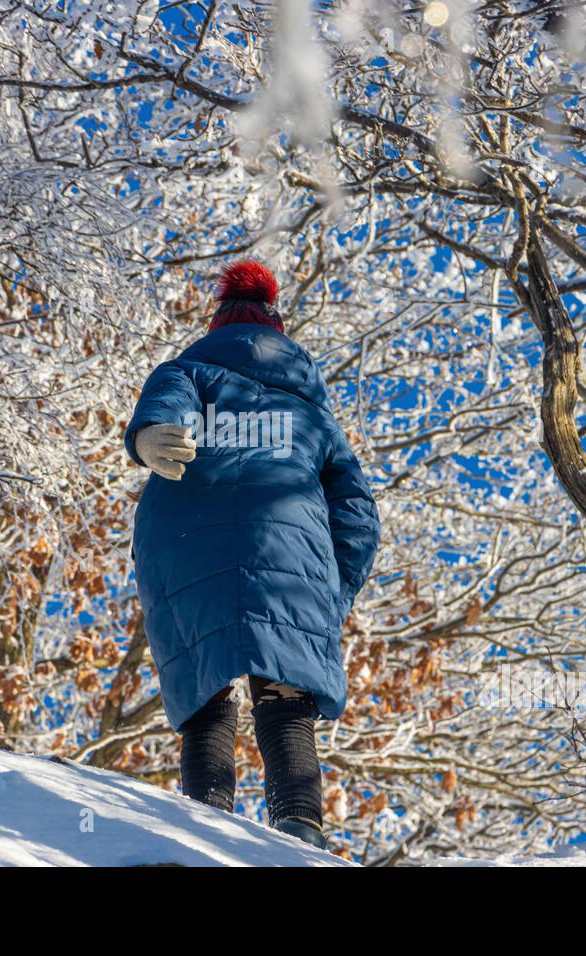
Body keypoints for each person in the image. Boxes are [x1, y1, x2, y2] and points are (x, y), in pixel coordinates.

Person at [124, 260, 380, 848]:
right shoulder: (315, 415)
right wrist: (330, 594)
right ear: (280, 332)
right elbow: (358, 515)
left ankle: (205, 823)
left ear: (217, 327)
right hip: (290, 547)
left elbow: (169, 398)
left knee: (205, 696)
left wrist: (149, 436)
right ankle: (298, 829)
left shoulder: (191, 369)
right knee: (286, 695)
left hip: (185, 543)